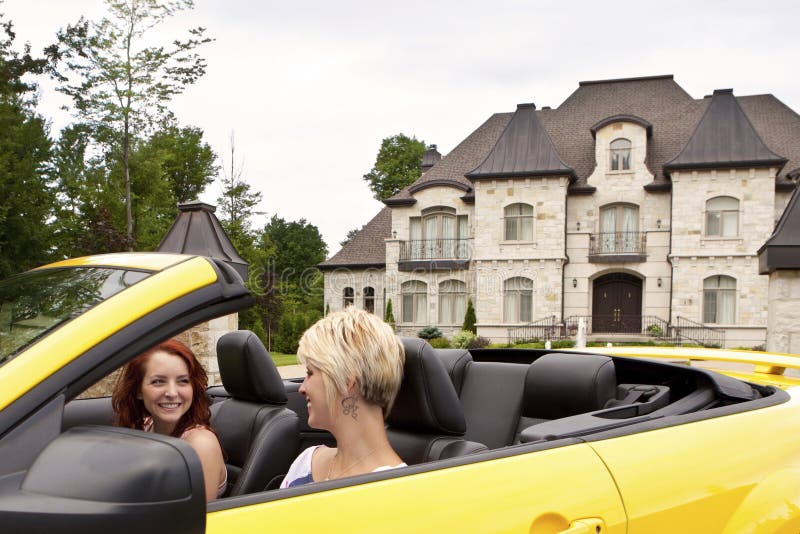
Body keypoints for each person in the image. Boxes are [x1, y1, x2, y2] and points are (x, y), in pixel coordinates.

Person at [281, 307, 406, 488]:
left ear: (346, 381)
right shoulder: (306, 462)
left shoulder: (396, 489)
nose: (302, 388)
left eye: (310, 373)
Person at [112, 339, 227, 501]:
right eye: (158, 381)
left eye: (182, 381)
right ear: (138, 390)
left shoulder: (200, 445)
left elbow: (193, 522)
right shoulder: (146, 426)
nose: (172, 392)